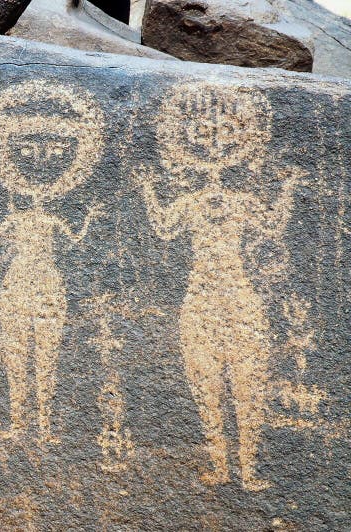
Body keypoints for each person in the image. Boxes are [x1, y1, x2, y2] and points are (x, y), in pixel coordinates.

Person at [136, 82, 300, 490]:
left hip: (238, 294)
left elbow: (271, 225)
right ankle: (221, 467)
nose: (212, 144)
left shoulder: (240, 200)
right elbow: (163, 227)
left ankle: (247, 469)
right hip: (201, 296)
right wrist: (147, 190)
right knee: (205, 380)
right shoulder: (192, 201)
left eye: (225, 134)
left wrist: (289, 188)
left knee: (248, 382)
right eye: (200, 135)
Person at [0, 80, 104, 445]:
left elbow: (76, 237)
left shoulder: (47, 218)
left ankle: (44, 424)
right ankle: (20, 422)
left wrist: (91, 217)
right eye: (28, 148)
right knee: (16, 352)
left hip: (46, 281)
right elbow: (0, 230)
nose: (40, 160)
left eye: (54, 148)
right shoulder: (21, 217)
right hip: (19, 281)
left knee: (46, 354)